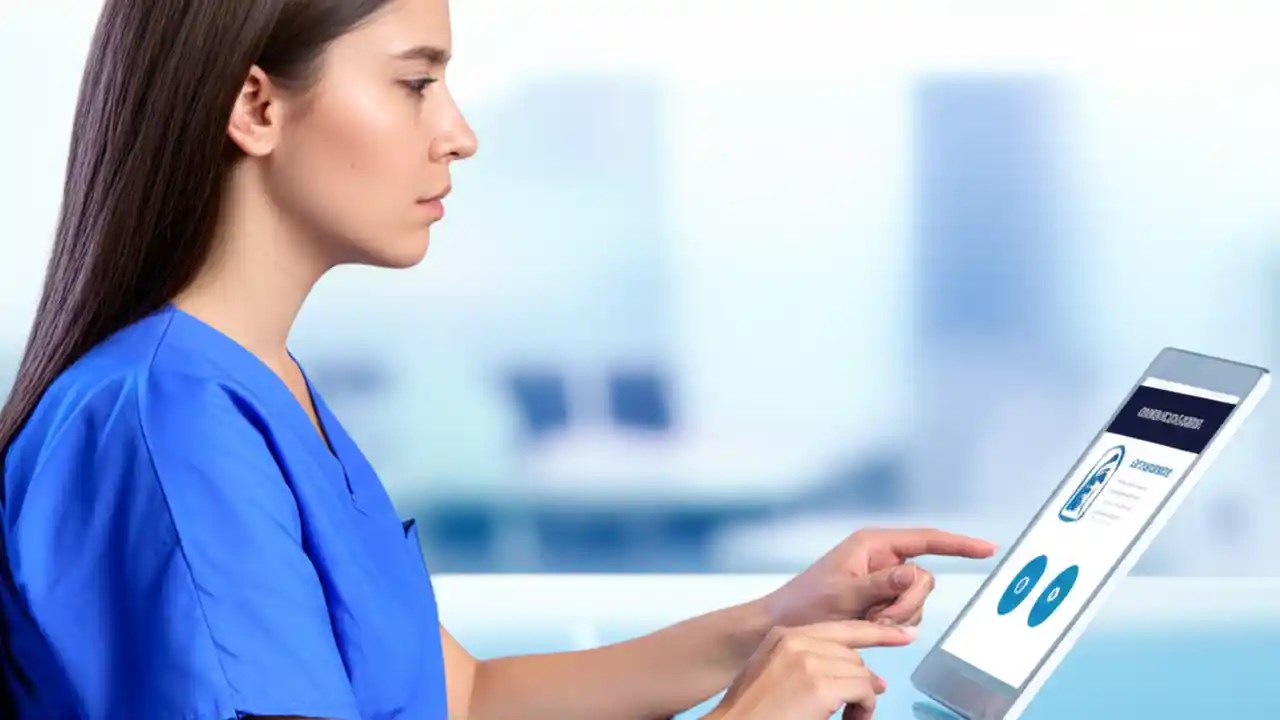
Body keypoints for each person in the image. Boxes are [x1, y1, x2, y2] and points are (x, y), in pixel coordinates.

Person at [0, 1, 997, 718]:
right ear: (257, 107)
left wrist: (774, 620)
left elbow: (465, 699)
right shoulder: (172, 425)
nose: (459, 134)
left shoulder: (266, 398)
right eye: (414, 82)